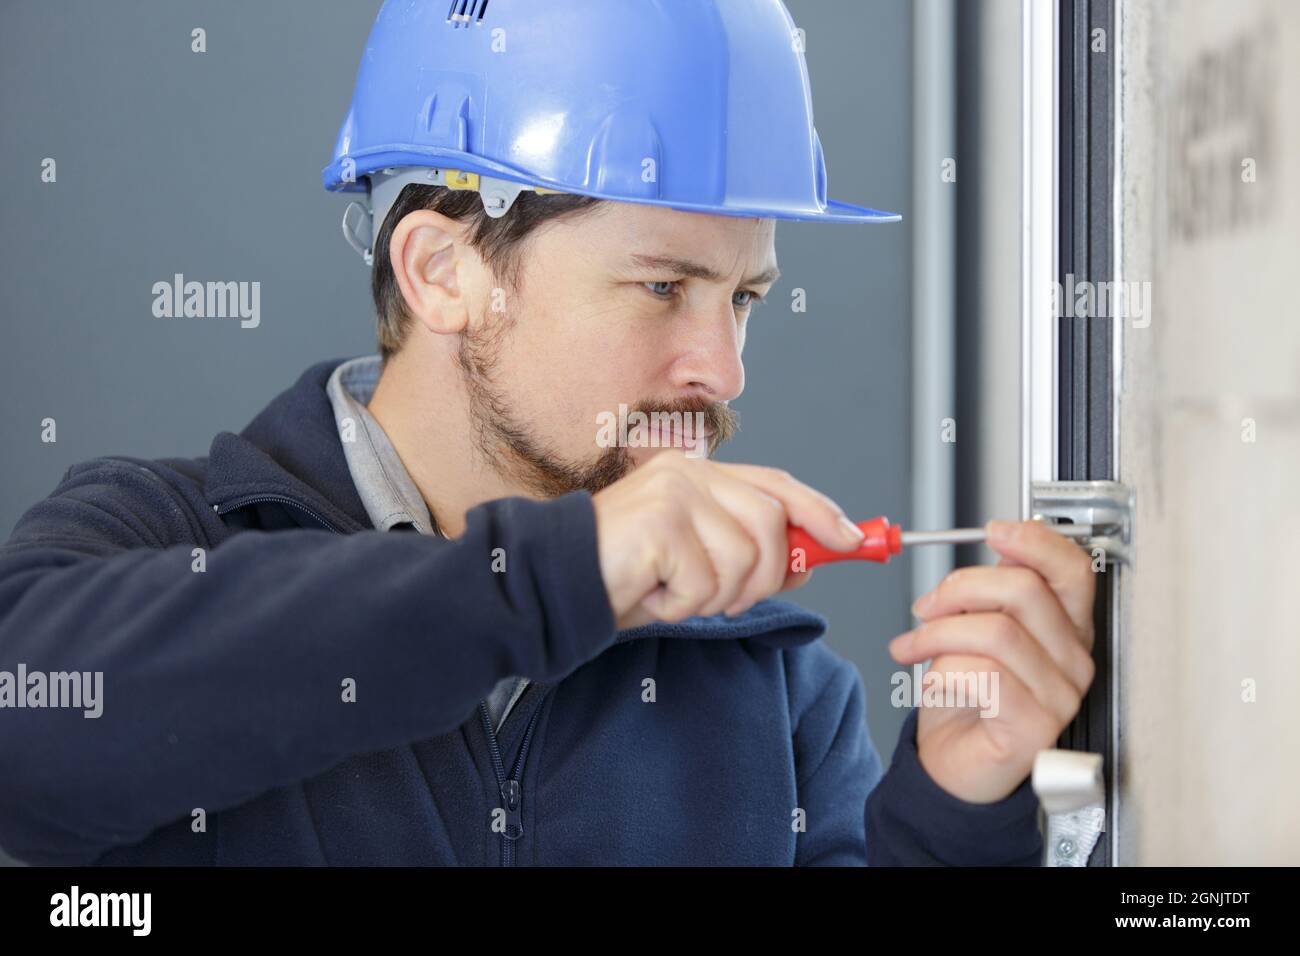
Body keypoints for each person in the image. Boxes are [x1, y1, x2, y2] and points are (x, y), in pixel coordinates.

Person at [0, 0, 1094, 865]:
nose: (722, 368)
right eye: (662, 284)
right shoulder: (164, 534)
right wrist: (552, 580)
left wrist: (953, 809)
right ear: (443, 272)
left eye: (744, 297)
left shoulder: (775, 695)